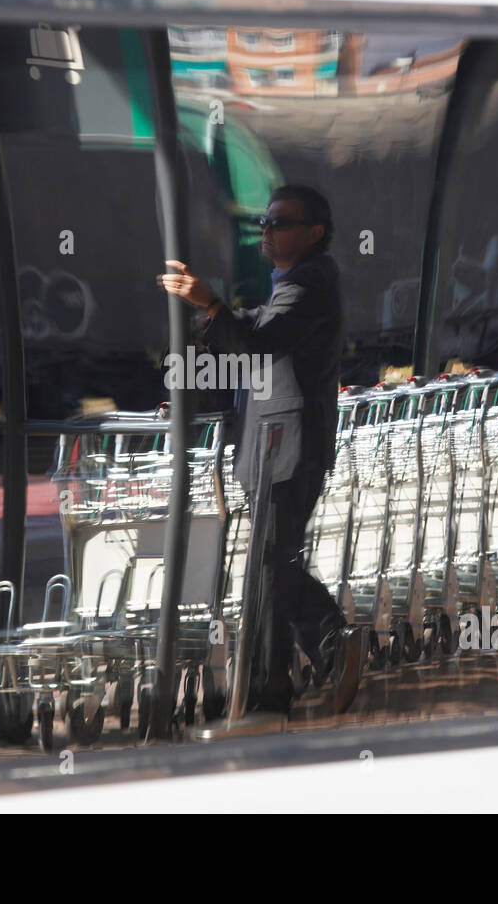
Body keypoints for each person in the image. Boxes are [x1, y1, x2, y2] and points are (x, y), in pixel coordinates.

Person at [159, 184, 362, 715]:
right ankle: (271, 686)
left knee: (272, 564)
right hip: (276, 445)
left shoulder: (309, 281)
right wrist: (213, 313)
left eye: (281, 223)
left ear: (313, 233)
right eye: (265, 223)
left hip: (285, 445)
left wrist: (208, 302)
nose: (267, 232)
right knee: (270, 566)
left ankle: (332, 644)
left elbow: (259, 344)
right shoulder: (293, 283)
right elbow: (258, 328)